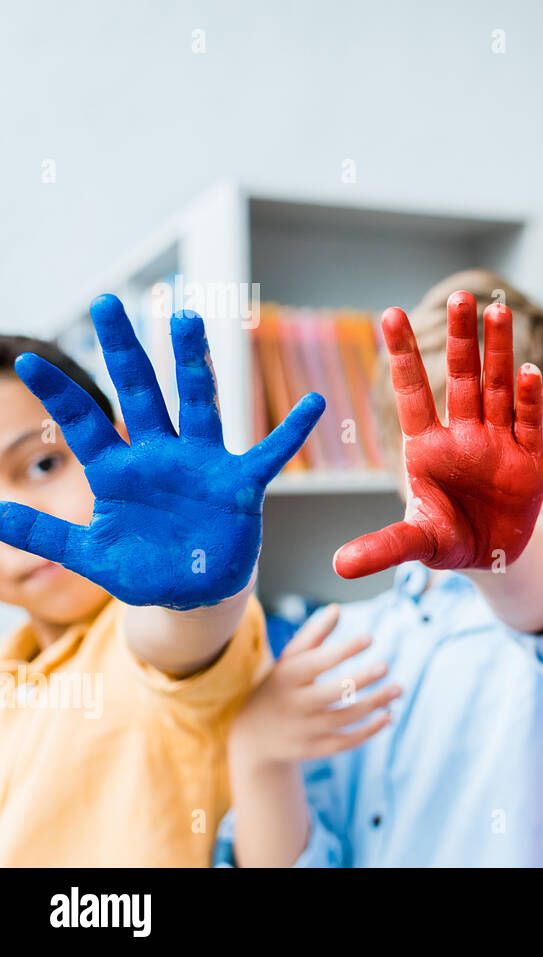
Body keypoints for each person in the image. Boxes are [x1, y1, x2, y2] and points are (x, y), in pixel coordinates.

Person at [218, 272, 543, 867]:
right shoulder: (339, 643)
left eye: (507, 439)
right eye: (435, 429)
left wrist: (502, 553)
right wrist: (258, 756)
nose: (463, 463)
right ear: (386, 449)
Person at [0, 296, 321, 865]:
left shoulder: (139, 638)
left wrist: (192, 587)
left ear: (118, 443)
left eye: (43, 464)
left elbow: (178, 642)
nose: (19, 514)